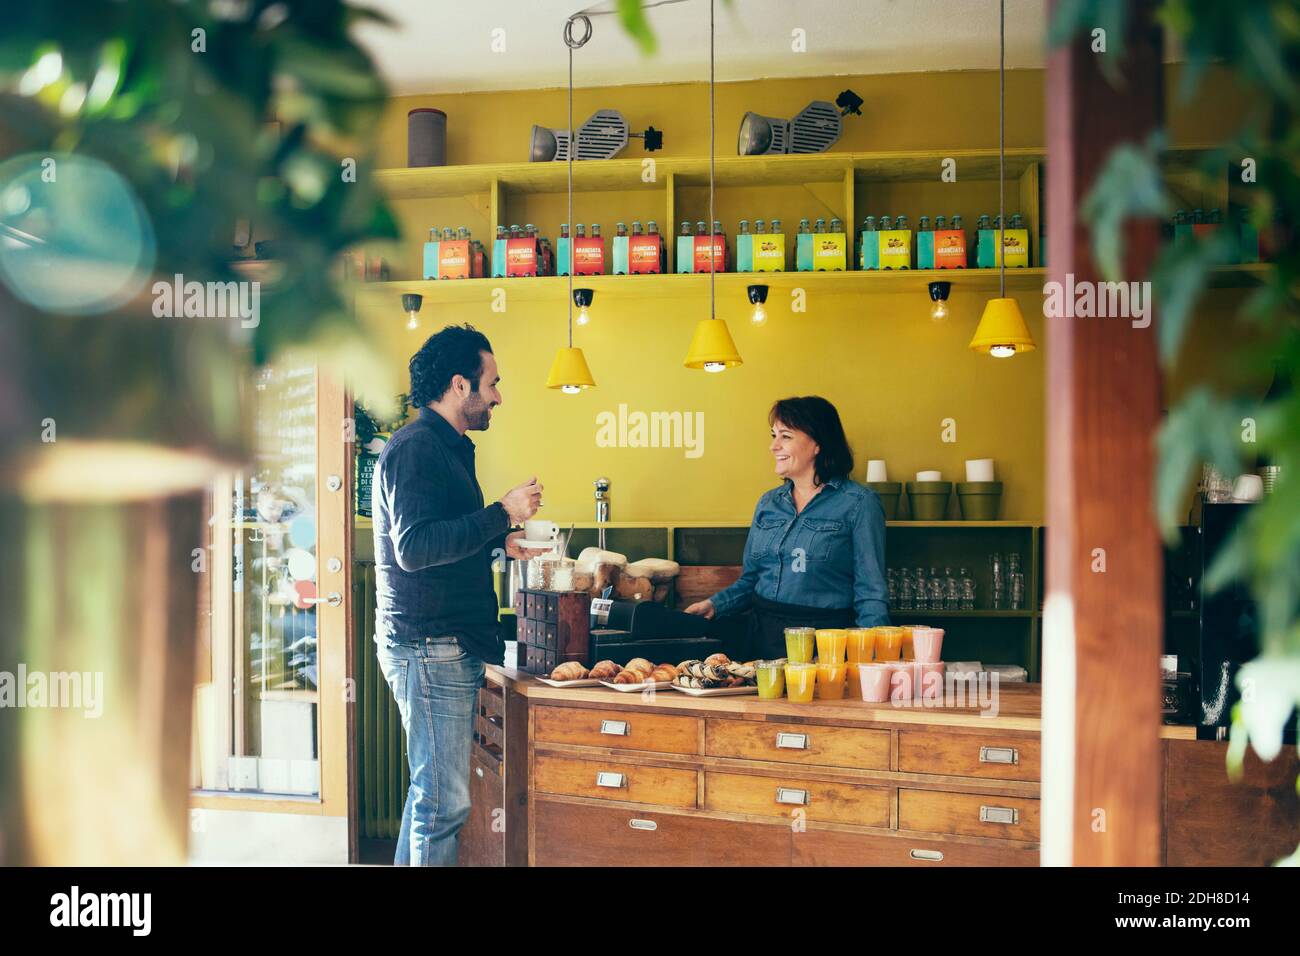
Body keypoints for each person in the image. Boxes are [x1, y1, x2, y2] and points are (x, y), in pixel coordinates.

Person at [372, 324, 548, 866]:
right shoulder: (418, 449)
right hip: (431, 646)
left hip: (444, 644)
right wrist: (502, 513)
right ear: (458, 385)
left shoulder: (442, 447)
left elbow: (444, 539)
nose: (497, 395)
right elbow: (417, 548)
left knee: (433, 801)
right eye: (491, 383)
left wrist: (501, 541)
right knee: (442, 805)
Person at [685, 396, 889, 658]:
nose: (773, 446)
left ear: (818, 443)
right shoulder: (768, 502)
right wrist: (714, 605)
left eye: (786, 436)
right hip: (761, 638)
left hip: (824, 646)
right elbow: (752, 579)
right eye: (773, 435)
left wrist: (872, 661)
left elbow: (871, 592)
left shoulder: (860, 503)